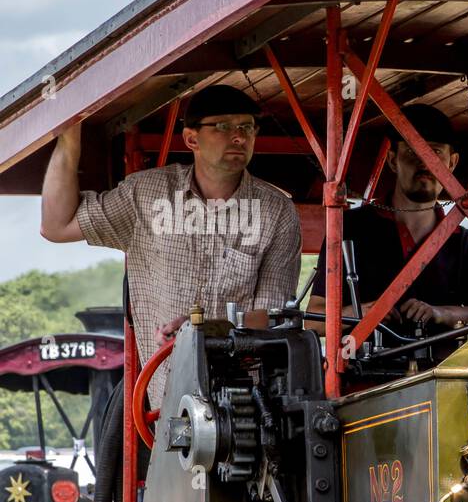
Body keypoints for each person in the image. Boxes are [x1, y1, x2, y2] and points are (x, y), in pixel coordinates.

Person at [40, 85, 302, 406]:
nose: (238, 136)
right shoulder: (147, 194)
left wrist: (208, 330)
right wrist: (69, 138)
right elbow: (56, 226)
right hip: (162, 398)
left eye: (246, 127)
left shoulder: (276, 211)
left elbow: (269, 319)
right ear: (191, 139)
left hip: (244, 400)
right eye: (223, 126)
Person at [306, 104, 468, 361]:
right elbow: (313, 320)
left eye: (435, 153)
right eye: (412, 152)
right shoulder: (350, 228)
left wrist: (446, 314)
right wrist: (363, 312)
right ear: (393, 160)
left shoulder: (462, 243)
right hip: (363, 382)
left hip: (440, 380)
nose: (424, 163)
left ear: (452, 163)